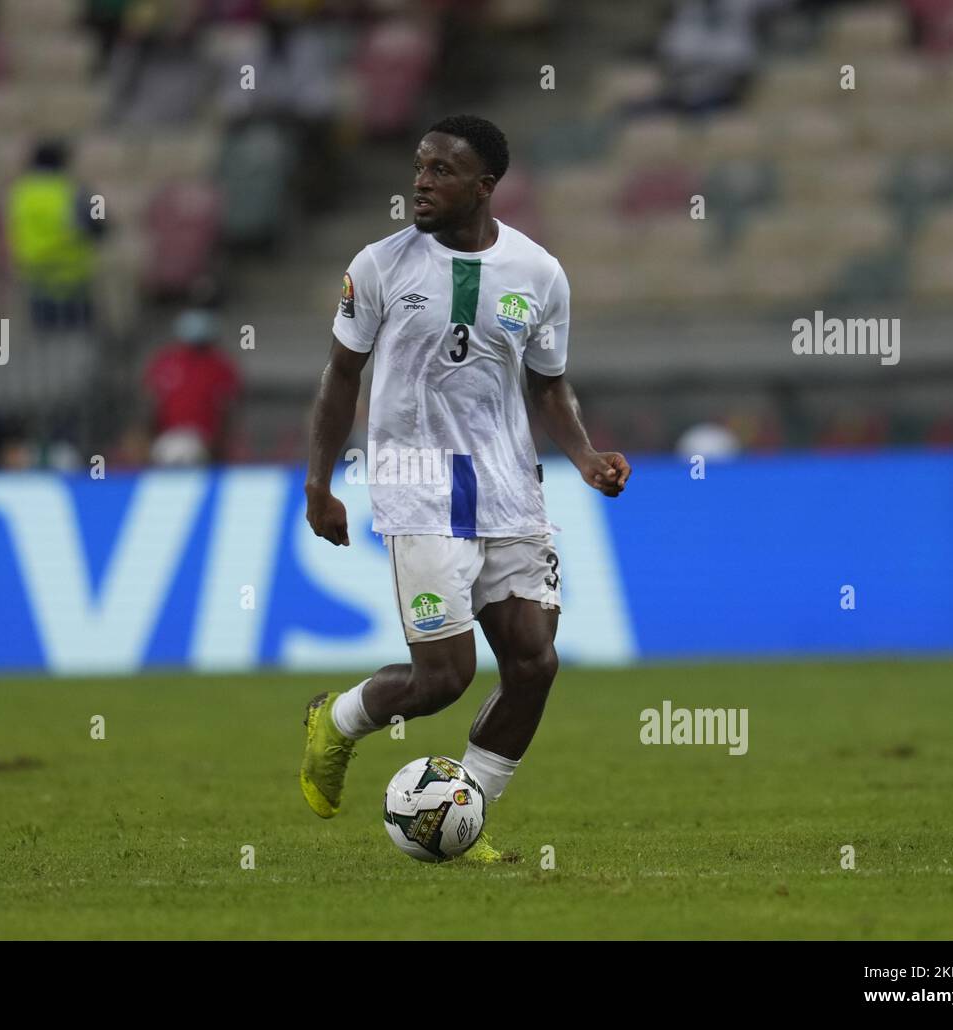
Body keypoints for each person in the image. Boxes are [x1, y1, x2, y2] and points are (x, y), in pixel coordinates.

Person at [299, 115, 631, 862]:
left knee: (534, 662)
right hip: (418, 485)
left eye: (442, 171)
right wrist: (319, 484)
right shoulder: (381, 266)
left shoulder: (540, 273)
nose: (421, 181)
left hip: (510, 486)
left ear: (484, 187)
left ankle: (464, 811)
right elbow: (339, 378)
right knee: (443, 677)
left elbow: (548, 385)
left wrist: (582, 455)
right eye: (419, 167)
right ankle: (339, 720)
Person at [5, 140, 105, 331]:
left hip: (36, 278)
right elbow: (99, 223)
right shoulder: (75, 190)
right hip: (73, 280)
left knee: (46, 349)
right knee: (78, 342)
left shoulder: (19, 193)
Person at [141, 309, 241, 465]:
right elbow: (152, 406)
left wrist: (218, 448)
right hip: (169, 438)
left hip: (200, 440)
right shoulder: (166, 361)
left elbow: (225, 411)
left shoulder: (219, 366)